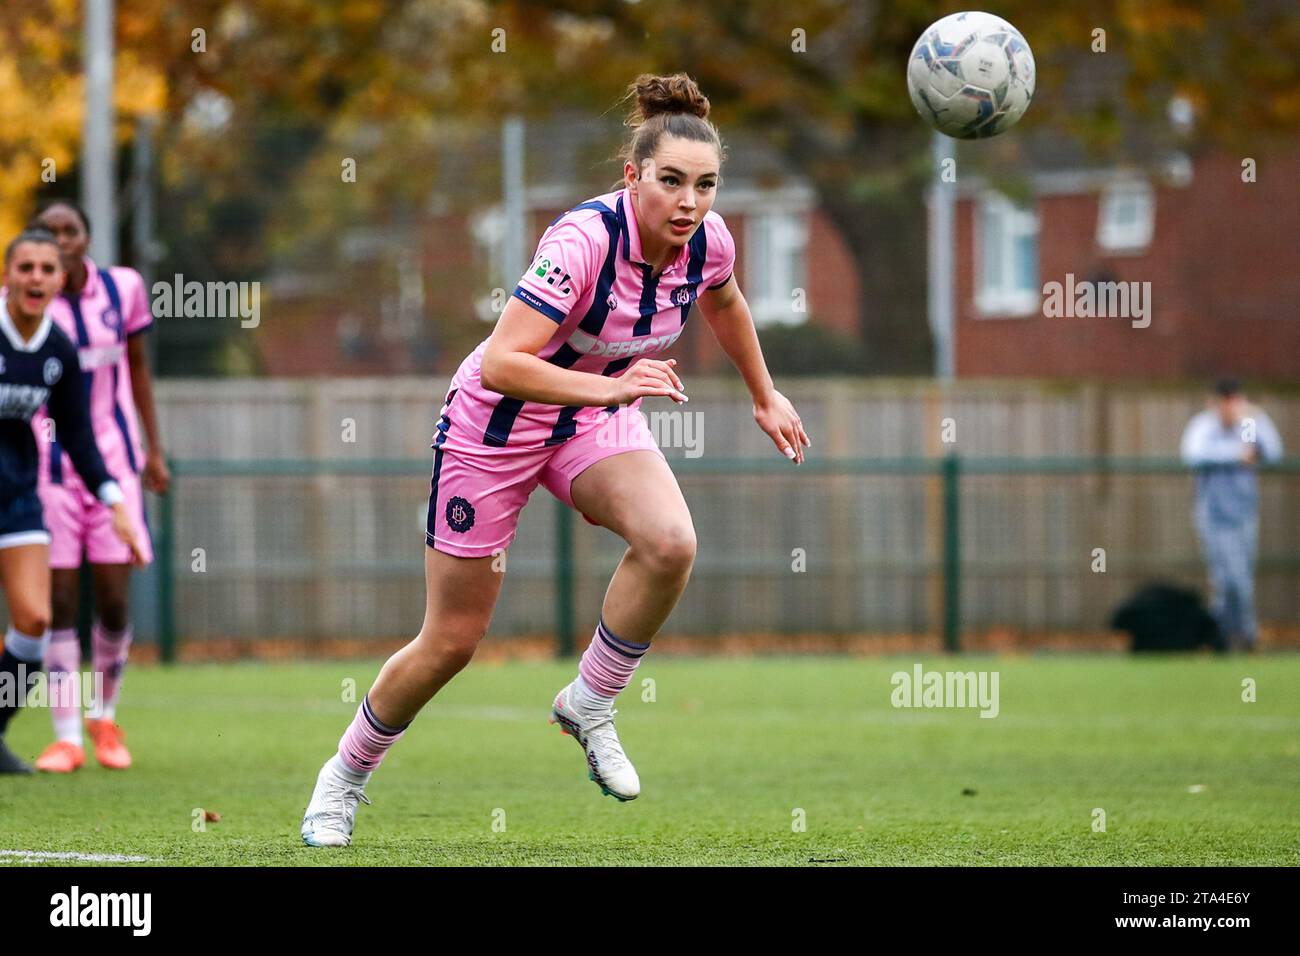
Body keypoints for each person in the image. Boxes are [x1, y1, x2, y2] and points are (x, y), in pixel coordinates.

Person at [300, 72, 811, 846]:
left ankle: (590, 702)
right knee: (451, 642)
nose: (690, 202)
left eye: (706, 185)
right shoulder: (581, 244)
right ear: (632, 176)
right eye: (671, 181)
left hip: (592, 416)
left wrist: (764, 395)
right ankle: (342, 779)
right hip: (495, 427)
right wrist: (606, 392)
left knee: (670, 543)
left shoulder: (707, 242)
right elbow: (503, 362)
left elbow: (727, 302)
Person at [26, 201, 166, 773]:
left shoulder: (123, 289)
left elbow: (135, 366)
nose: (62, 242)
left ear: (86, 237)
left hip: (115, 464)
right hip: (48, 467)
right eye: (50, 234)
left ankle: (103, 715)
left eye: (71, 230)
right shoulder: (28, 304)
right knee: (58, 598)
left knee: (112, 595)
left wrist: (154, 449)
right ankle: (66, 736)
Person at [0, 229, 143, 773]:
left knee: (35, 619)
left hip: (16, 493)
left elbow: (78, 435)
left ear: (60, 280)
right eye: (25, 267)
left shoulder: (58, 349)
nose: (35, 278)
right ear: (8, 276)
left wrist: (115, 500)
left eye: (46, 269)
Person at [1179, 378, 1283, 651]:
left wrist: (1256, 417)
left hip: (1244, 512)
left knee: (1241, 577)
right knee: (1226, 579)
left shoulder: (1248, 425)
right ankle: (1234, 634)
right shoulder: (1204, 426)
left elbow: (1272, 452)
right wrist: (1236, 454)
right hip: (1213, 513)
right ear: (1214, 403)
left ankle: (1229, 636)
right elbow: (1194, 454)